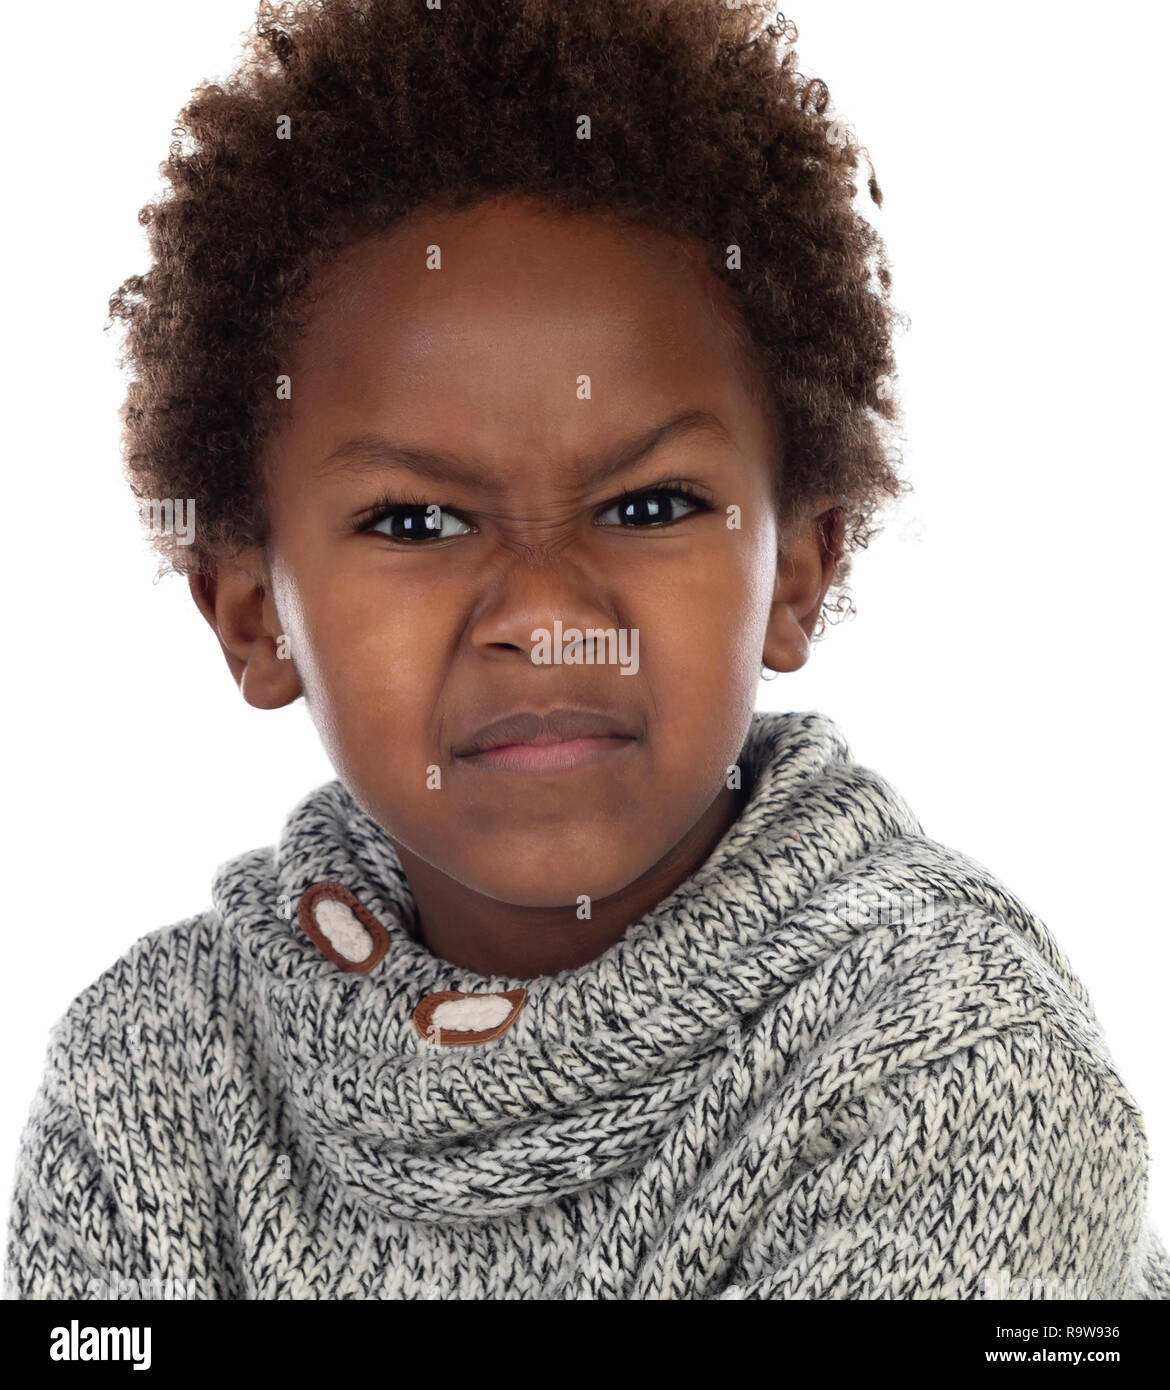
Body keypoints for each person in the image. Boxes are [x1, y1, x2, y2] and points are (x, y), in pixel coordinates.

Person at [6, 0, 1167, 1299]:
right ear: (249, 612)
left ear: (798, 567)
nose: (542, 608)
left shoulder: (959, 1068)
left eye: (648, 504)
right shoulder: (151, 1078)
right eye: (415, 519)